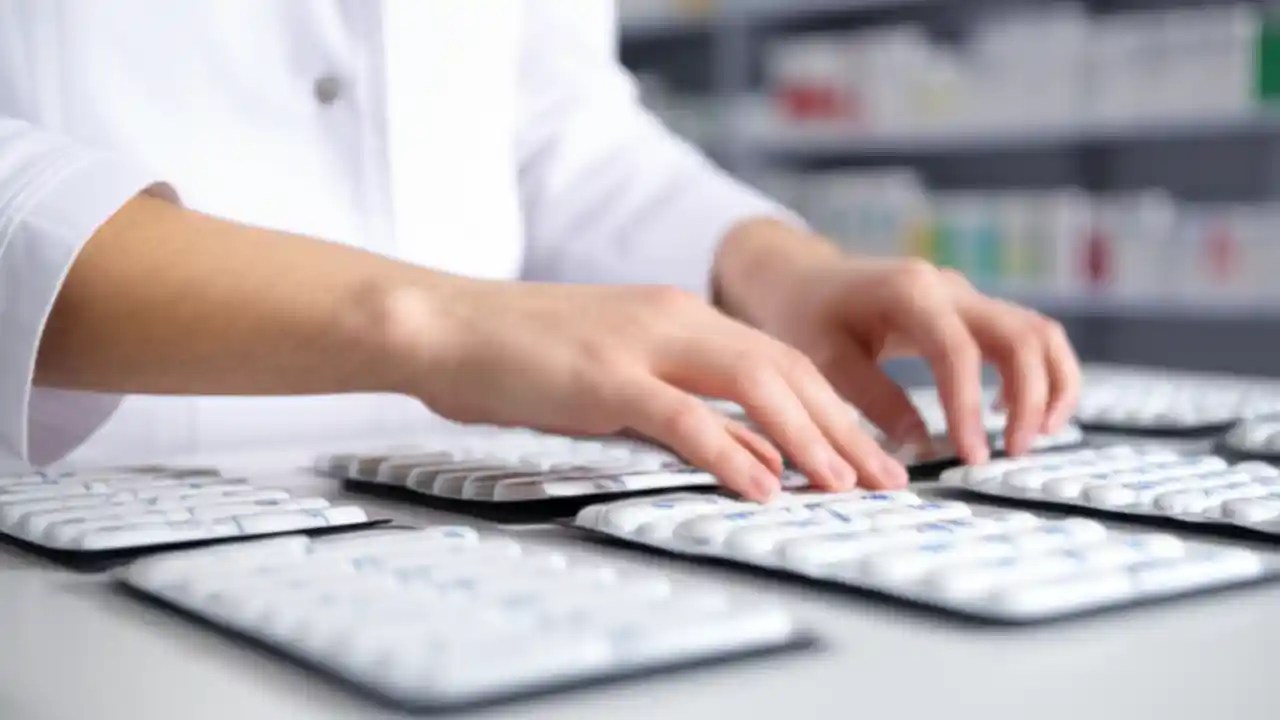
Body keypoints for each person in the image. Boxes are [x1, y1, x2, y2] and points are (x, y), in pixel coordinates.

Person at [0, 2, 1079, 501]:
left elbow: (555, 124)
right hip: (64, 505)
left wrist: (774, 268)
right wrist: (429, 321)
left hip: (466, 497)